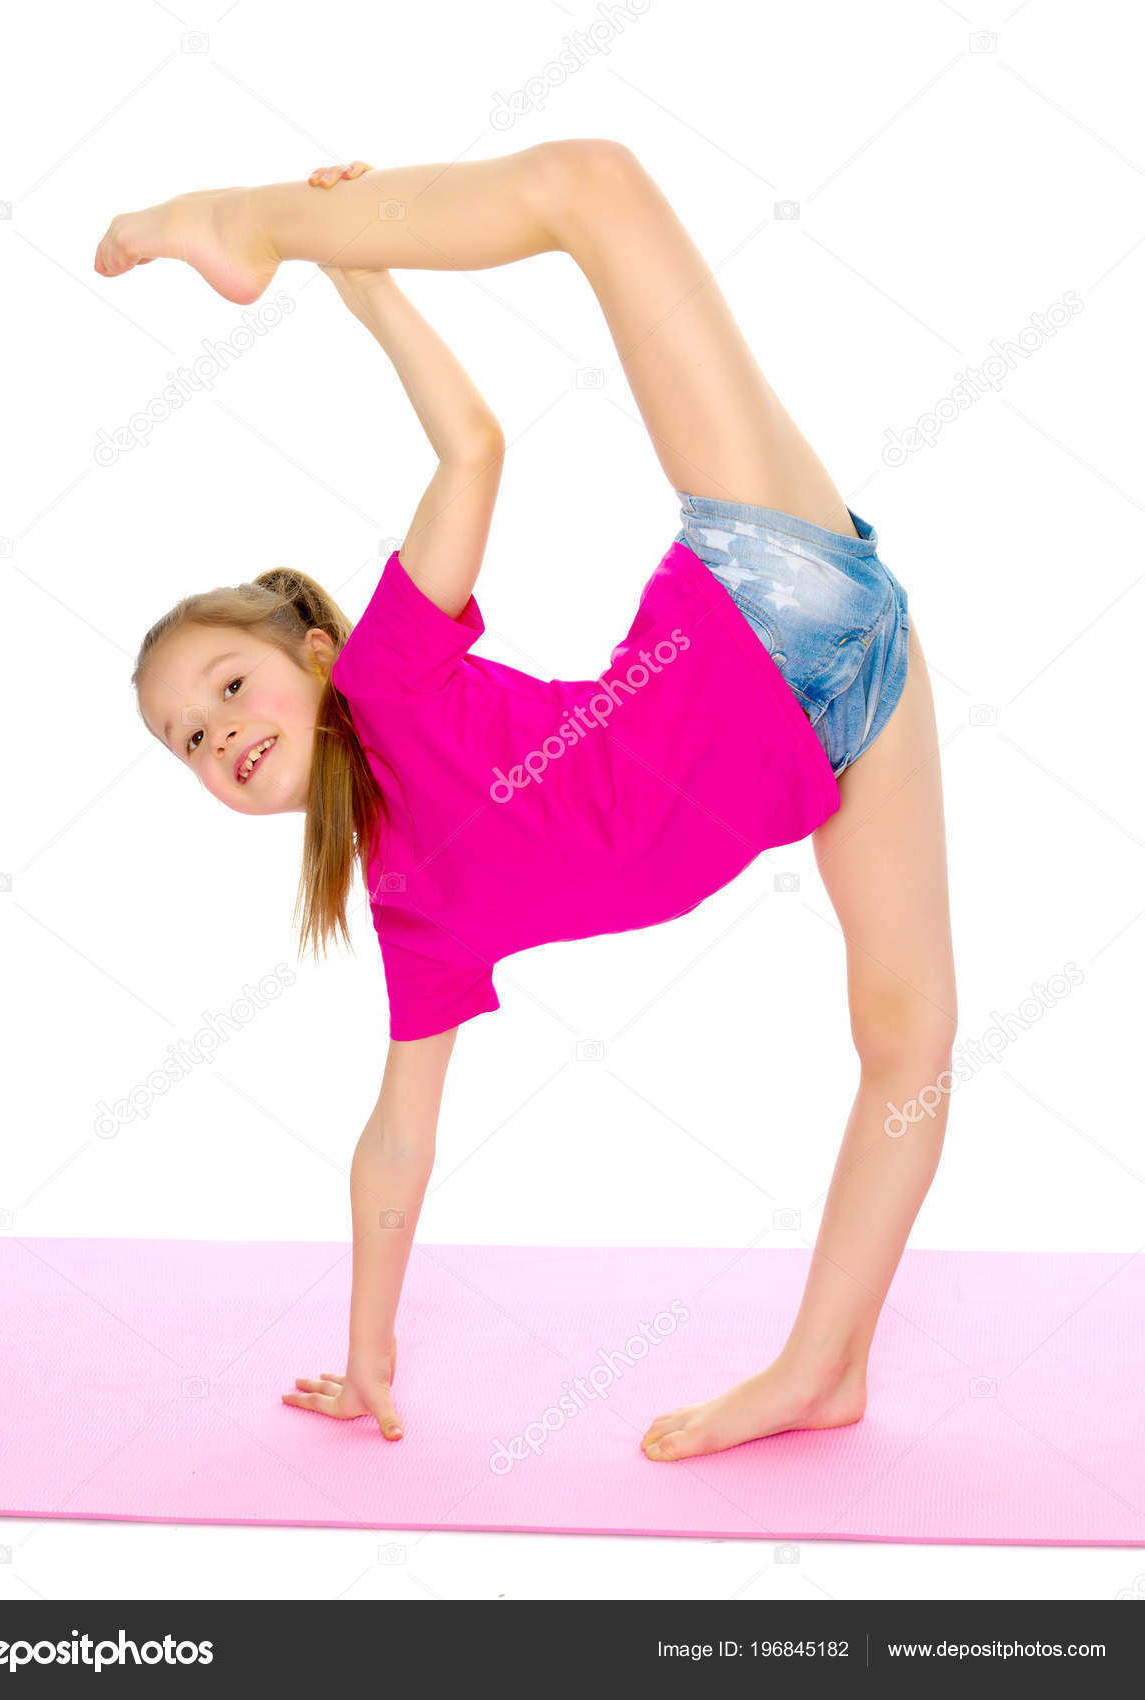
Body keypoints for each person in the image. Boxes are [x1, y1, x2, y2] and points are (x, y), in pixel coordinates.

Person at [97, 141, 956, 1462]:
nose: (220, 731)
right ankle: (822, 1369)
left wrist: (352, 269)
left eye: (230, 685)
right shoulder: (412, 910)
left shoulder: (386, 674)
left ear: (311, 657)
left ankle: (236, 221)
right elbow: (395, 1143)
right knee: (910, 1045)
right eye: (188, 738)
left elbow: (474, 446)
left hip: (764, 599)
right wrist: (363, 1355)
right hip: (856, 709)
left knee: (593, 186)